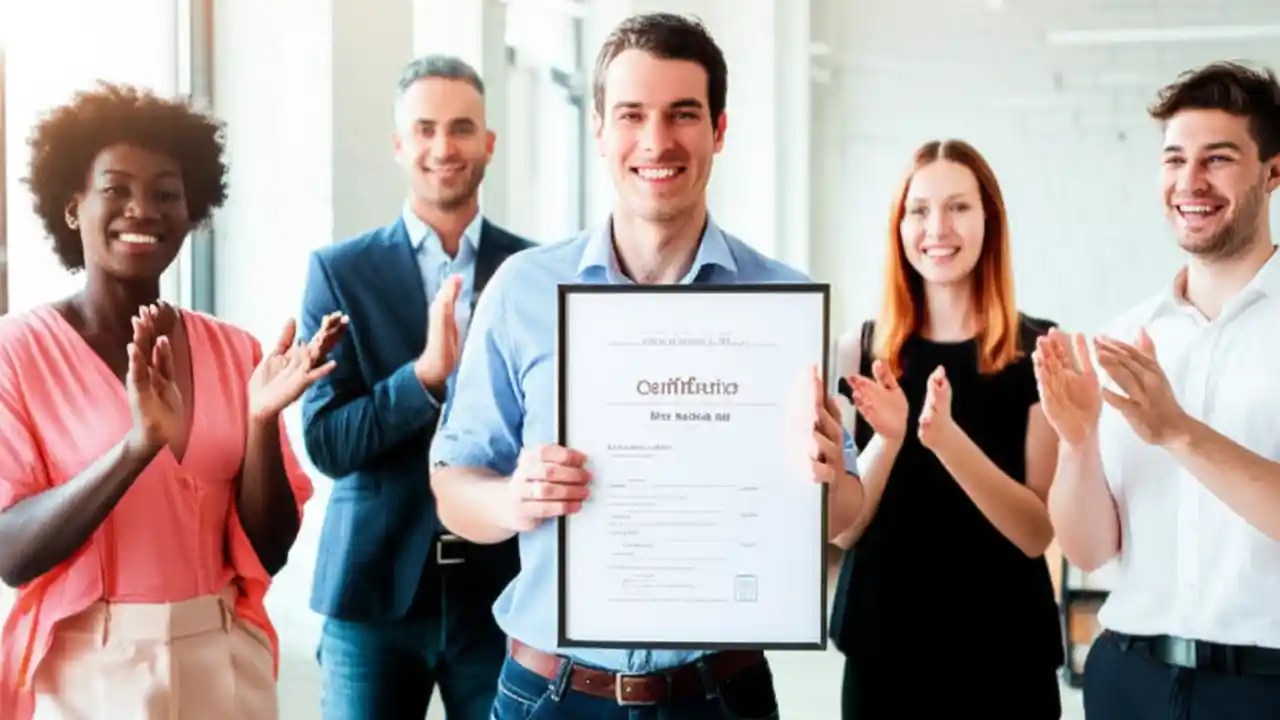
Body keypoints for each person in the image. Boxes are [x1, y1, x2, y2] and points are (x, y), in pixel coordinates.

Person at [429, 12, 861, 720]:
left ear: (719, 130)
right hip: (551, 695)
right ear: (598, 127)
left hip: (721, 694)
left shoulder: (779, 305)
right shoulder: (523, 291)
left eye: (682, 114)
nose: (657, 142)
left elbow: (845, 516)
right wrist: (515, 499)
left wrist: (822, 480)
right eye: (632, 114)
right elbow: (452, 485)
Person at [0, 82, 336, 719]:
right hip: (88, 671)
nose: (142, 208)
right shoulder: (17, 352)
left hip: (219, 654)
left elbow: (269, 551)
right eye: (116, 189)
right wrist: (137, 447)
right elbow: (10, 554)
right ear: (72, 207)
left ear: (192, 210)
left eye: (166, 192)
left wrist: (262, 421)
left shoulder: (235, 351)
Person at [1035, 61, 1280, 719]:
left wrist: (1176, 430)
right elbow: (1089, 550)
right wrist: (1077, 443)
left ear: (1273, 172)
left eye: (1217, 159)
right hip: (1129, 679)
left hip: (1263, 688)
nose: (1189, 182)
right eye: (1174, 160)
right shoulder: (1127, 336)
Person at [300, 55, 534, 720]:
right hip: (373, 595)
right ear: (399, 145)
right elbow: (327, 443)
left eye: (461, 128)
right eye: (424, 129)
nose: (443, 147)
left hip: (502, 588)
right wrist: (424, 378)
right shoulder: (340, 272)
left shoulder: (531, 272)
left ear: (488, 144)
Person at [828, 139, 1064, 718]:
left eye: (958, 207)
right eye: (920, 210)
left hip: (1006, 656)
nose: (938, 228)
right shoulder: (859, 350)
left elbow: (1037, 533)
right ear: (899, 225)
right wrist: (890, 437)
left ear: (989, 219)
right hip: (884, 653)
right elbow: (845, 530)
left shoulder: (1038, 350)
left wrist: (948, 442)